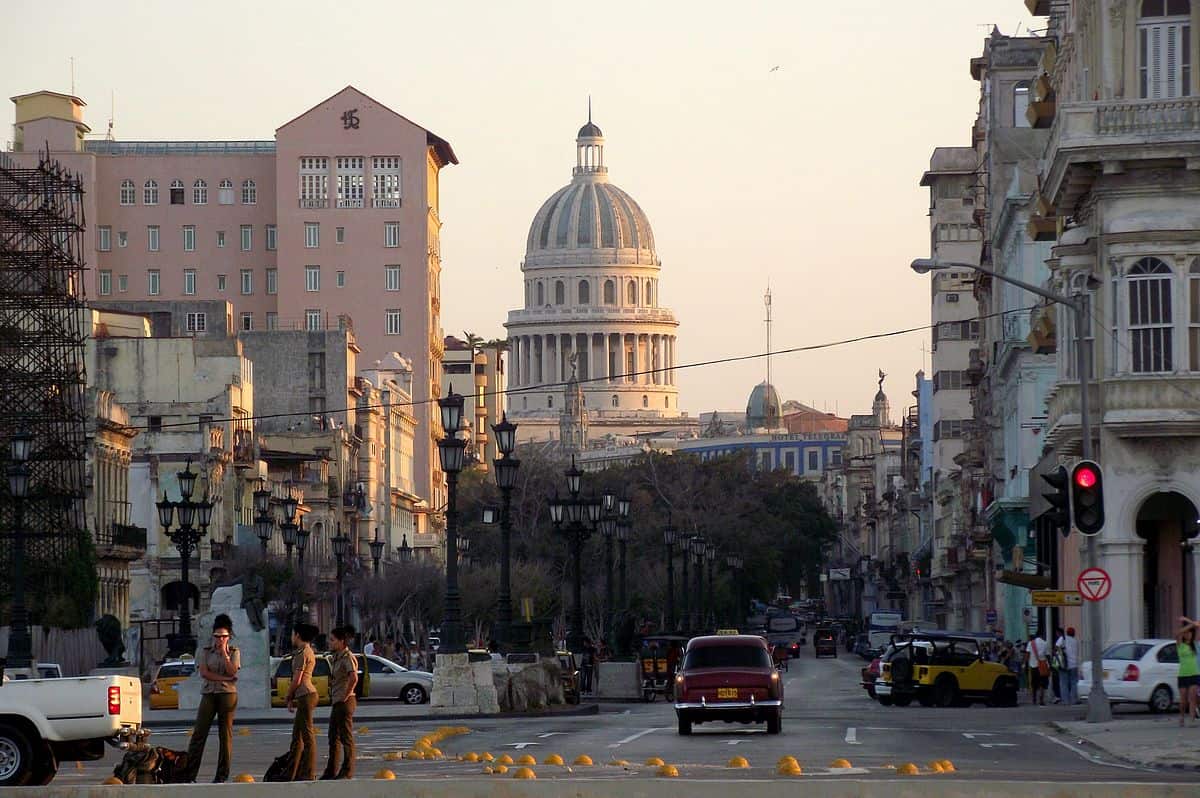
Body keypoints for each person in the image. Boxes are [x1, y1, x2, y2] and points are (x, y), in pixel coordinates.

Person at [187, 614, 241, 783]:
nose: (220, 639)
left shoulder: (234, 652)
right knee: (199, 734)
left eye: (223, 636)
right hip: (209, 693)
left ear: (229, 636)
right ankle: (189, 774)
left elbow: (233, 670)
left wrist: (224, 653)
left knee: (225, 736)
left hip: (227, 694)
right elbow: (204, 673)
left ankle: (222, 775)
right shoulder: (205, 651)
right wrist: (225, 678)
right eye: (217, 636)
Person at [321, 625, 359, 780]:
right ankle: (331, 771)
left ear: (341, 641)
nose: (329, 642)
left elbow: (354, 677)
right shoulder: (336, 657)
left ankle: (347, 770)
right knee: (333, 737)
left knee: (345, 737)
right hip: (337, 701)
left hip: (345, 701)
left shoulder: (347, 657)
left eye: (332, 640)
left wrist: (346, 695)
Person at [285, 623, 319, 780]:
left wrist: (288, 696)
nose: (292, 637)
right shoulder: (305, 651)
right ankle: (292, 771)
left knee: (307, 736)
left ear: (297, 635)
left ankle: (308, 773)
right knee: (297, 737)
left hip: (306, 695)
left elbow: (297, 679)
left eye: (293, 634)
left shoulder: (303, 653)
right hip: (305, 695)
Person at [1176, 617, 1200, 726]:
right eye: (1186, 633)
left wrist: (1189, 621)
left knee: (1192, 698)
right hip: (1183, 675)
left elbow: (1198, 626)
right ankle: (1181, 716)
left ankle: (1191, 719)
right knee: (1183, 700)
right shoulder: (1180, 645)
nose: (1188, 635)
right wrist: (1190, 624)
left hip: (1194, 674)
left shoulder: (1195, 644)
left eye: (1190, 633)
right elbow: (1178, 633)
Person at [1056, 627, 1080, 706]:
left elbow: (1056, 647)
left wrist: (1060, 654)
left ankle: (1065, 701)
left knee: (1063, 683)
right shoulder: (1076, 641)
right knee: (1074, 682)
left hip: (1064, 664)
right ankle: (1074, 699)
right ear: (1074, 634)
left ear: (1067, 633)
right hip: (1074, 664)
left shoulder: (1063, 638)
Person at [1026, 629, 1049, 706]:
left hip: (1033, 666)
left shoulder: (1030, 643)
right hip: (1042, 666)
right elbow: (1047, 655)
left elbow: (1027, 654)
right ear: (1042, 635)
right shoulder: (1045, 643)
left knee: (1034, 684)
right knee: (1042, 684)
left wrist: (1025, 664)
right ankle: (1041, 699)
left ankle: (1034, 699)